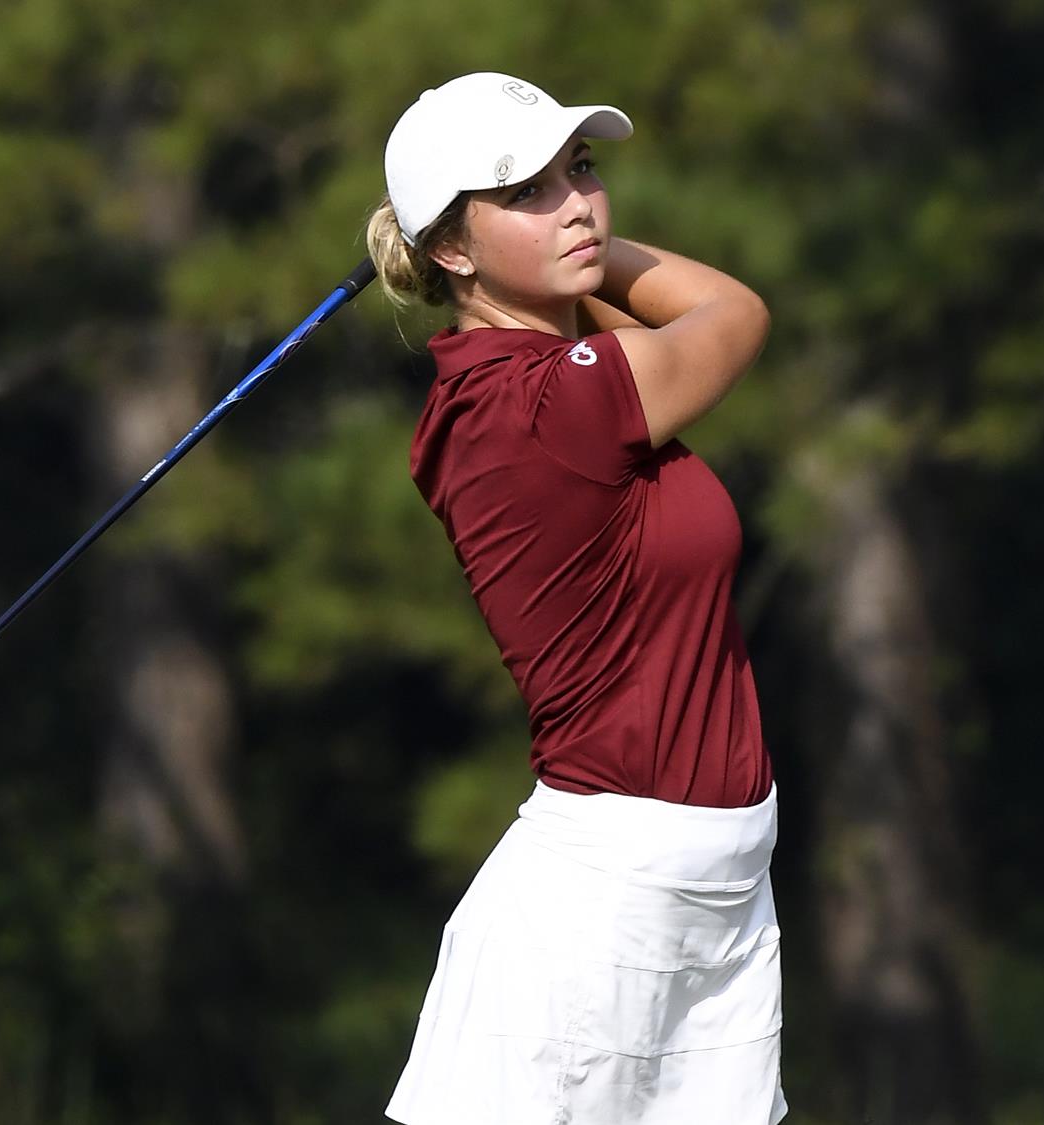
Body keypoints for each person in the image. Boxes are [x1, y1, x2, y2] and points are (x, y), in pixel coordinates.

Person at [367, 71, 785, 1125]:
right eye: (527, 191)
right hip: (600, 915)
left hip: (719, 897)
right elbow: (729, 312)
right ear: (449, 250)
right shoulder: (534, 401)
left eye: (582, 173)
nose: (576, 205)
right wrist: (592, 258)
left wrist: (552, 256)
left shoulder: (559, 371)